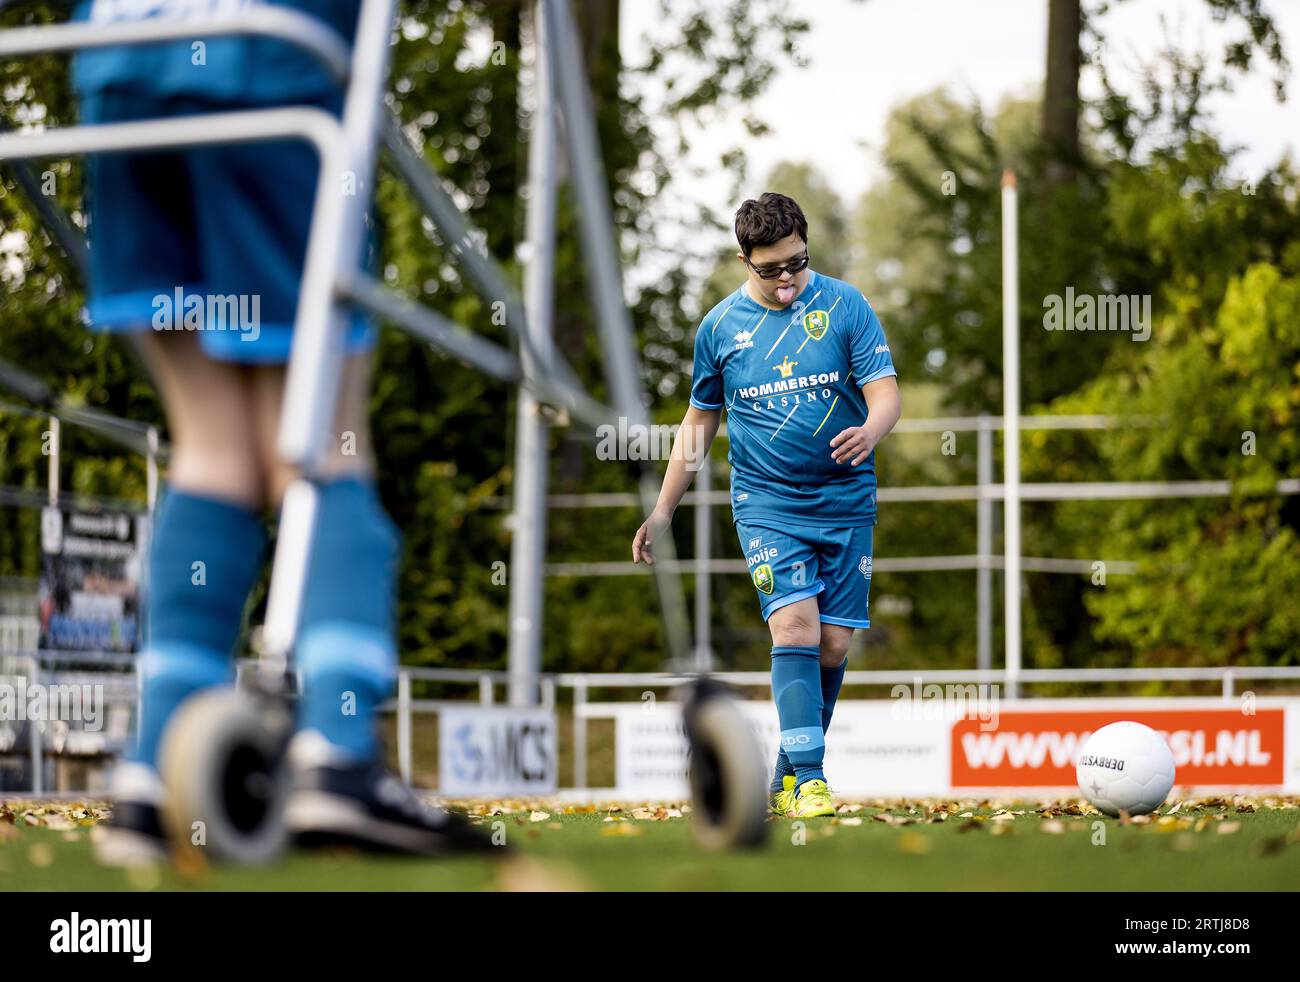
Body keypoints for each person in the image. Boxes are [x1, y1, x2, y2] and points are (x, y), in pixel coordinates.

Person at [71, 0, 485, 863]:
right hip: (267, 59)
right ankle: (335, 751)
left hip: (119, 61)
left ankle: (153, 769)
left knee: (214, 448)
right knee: (330, 438)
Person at [632, 192, 901, 819]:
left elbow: (885, 394)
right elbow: (697, 425)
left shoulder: (845, 305)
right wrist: (663, 510)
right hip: (767, 504)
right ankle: (811, 779)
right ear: (743, 260)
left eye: (796, 264)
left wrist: (872, 430)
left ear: (806, 244)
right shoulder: (720, 329)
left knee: (833, 645)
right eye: (770, 269)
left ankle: (785, 774)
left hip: (846, 500)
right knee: (795, 628)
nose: (786, 281)